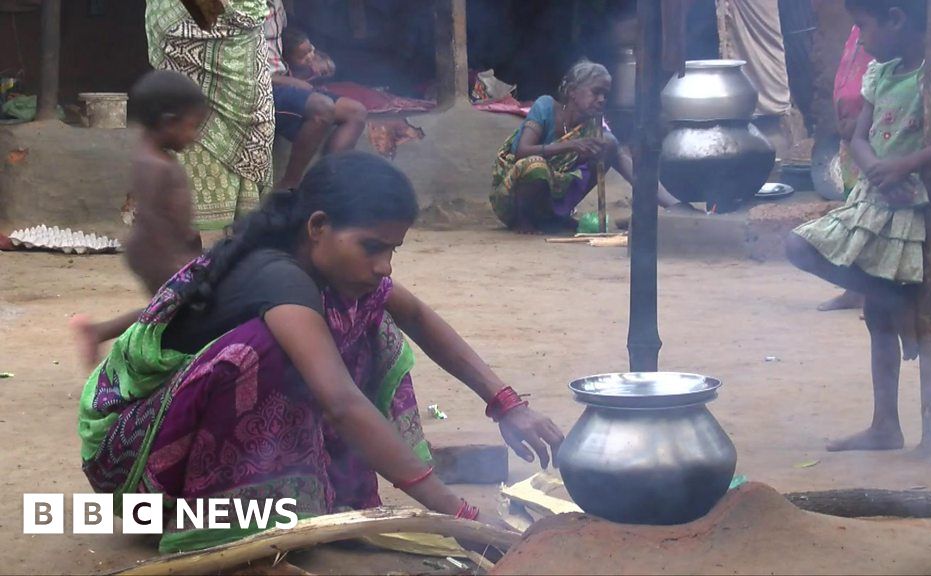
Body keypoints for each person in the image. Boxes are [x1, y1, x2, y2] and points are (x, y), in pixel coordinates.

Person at [78, 152, 565, 552]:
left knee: (371, 316)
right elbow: (341, 402)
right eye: (372, 247)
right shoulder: (279, 278)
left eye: (392, 250)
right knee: (264, 351)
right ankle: (225, 523)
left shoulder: (326, 271)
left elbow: (417, 315)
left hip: (173, 443)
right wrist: (461, 517)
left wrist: (506, 403)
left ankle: (309, 496)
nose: (384, 265)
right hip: (131, 466)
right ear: (318, 226)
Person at [785, 0, 931, 452]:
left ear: (896, 18)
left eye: (863, 27)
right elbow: (858, 137)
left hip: (924, 206)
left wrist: (906, 166)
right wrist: (879, 170)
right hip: (877, 197)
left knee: (910, 314)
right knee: (802, 250)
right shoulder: (881, 74)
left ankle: (917, 427)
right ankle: (885, 424)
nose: (860, 39)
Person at [70, 70, 207, 368]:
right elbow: (154, 218)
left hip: (160, 249)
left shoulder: (154, 155)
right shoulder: (154, 164)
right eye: (192, 126)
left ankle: (99, 332)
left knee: (168, 311)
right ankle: (105, 338)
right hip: (157, 252)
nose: (194, 136)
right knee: (174, 313)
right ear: (168, 122)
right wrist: (177, 261)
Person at [490, 60, 680, 234]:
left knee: (608, 144)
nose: (601, 99)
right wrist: (571, 145)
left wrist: (675, 205)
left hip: (551, 198)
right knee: (534, 165)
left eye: (605, 95)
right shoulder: (545, 107)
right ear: (572, 91)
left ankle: (556, 216)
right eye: (596, 92)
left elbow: (630, 168)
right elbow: (521, 151)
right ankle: (524, 221)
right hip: (512, 200)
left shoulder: (594, 126)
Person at [146, 0, 274, 232]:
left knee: (252, 133)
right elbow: (171, 25)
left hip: (245, 81)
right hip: (192, 85)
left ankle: (233, 237)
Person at [266, 0, 368, 189]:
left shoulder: (276, 4)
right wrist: (292, 82)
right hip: (261, 88)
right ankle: (289, 185)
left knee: (356, 112)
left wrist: (316, 57)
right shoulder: (242, 10)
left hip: (283, 79)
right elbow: (242, 71)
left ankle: (326, 182)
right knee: (322, 107)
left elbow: (289, 39)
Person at [817, 25, 872, 313]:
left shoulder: (884, 29)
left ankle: (875, 292)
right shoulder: (858, 28)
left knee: (871, 216)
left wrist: (861, 123)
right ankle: (856, 289)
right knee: (854, 213)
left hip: (875, 139)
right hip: (851, 140)